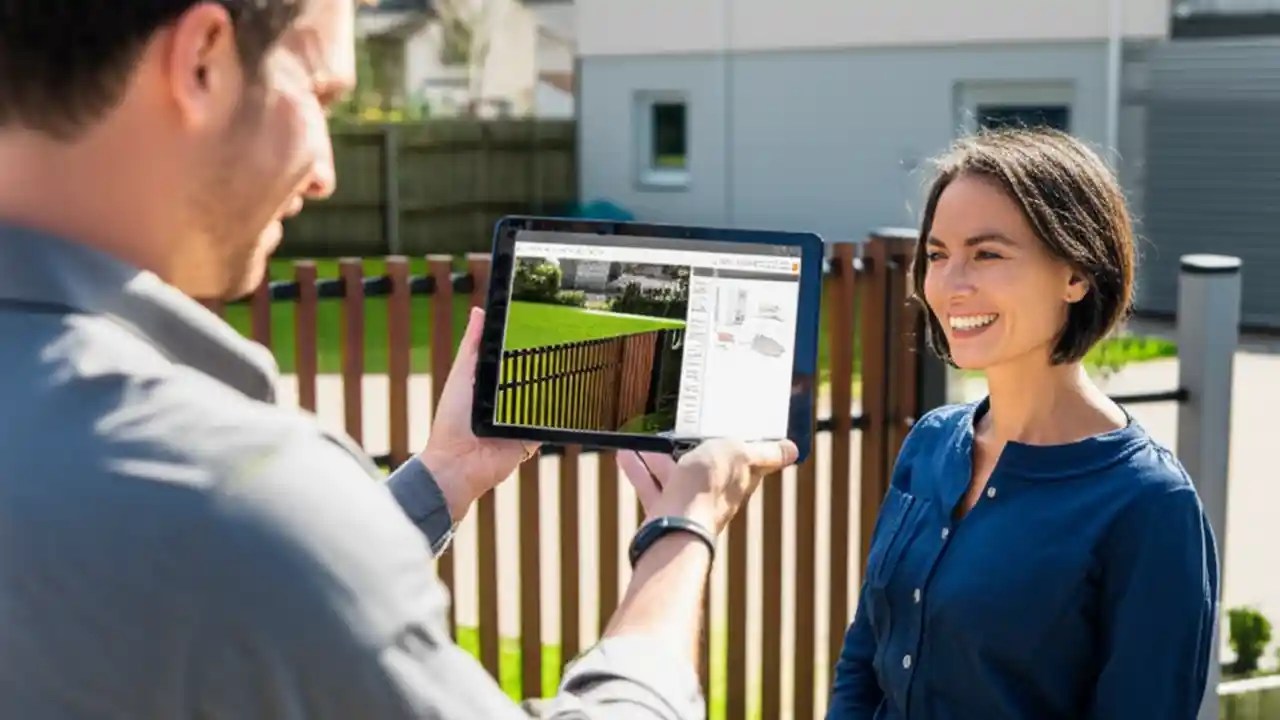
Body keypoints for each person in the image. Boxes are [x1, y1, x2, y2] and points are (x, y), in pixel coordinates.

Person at [0, 1, 797, 718]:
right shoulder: (225, 492)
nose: (324, 173)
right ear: (204, 58)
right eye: (320, 95)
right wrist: (681, 530)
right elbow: (257, 556)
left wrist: (443, 477)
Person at [826, 128, 1218, 719]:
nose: (952, 285)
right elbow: (867, 656)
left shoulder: (1149, 505)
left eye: (987, 254)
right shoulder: (931, 442)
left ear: (1076, 275)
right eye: (937, 255)